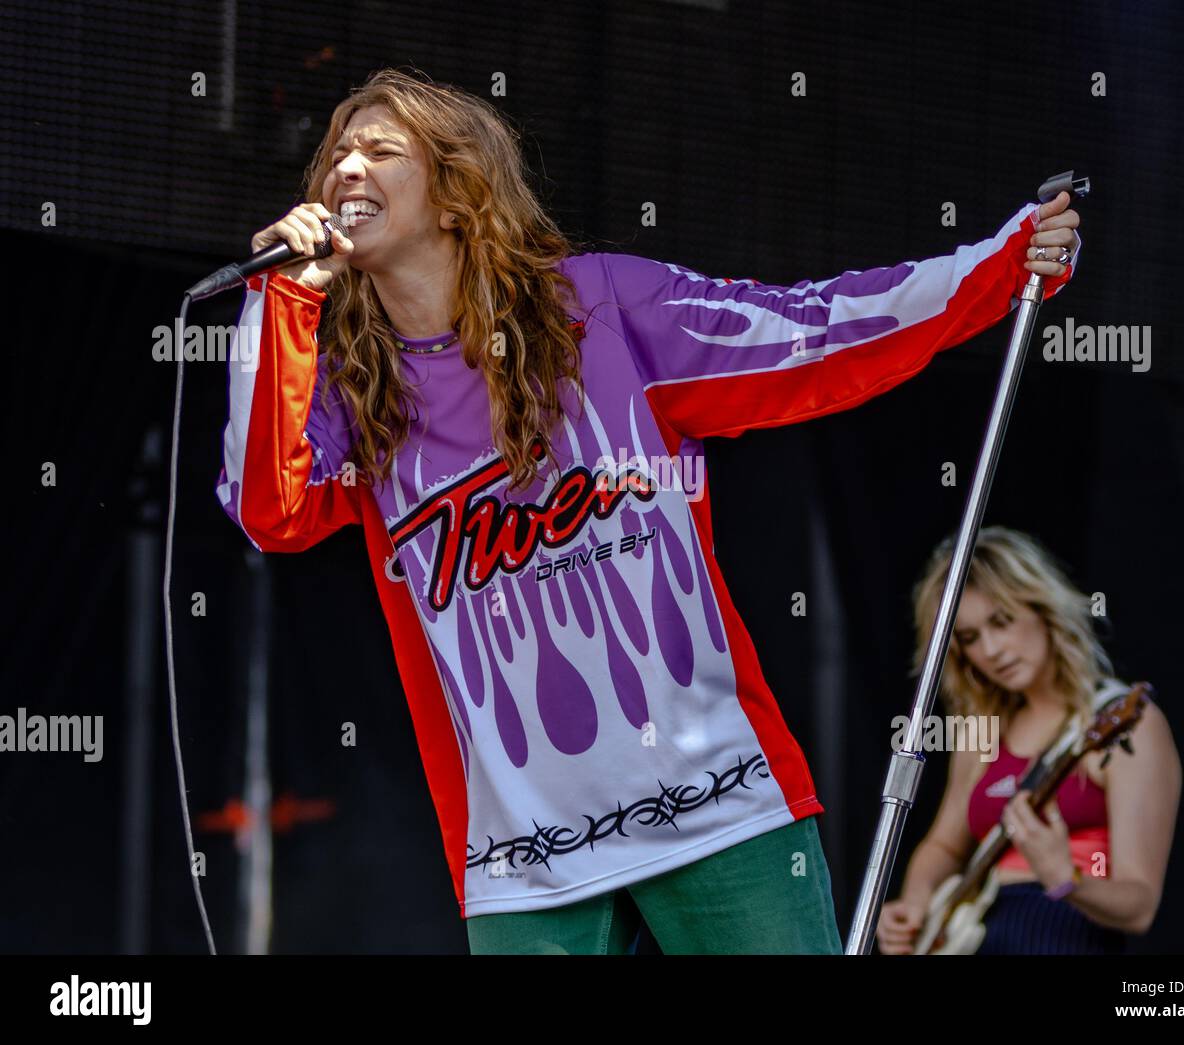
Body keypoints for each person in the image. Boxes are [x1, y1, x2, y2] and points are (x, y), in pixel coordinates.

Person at [215, 68, 1082, 954]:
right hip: (525, 860)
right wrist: (280, 298)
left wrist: (997, 266)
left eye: (381, 151)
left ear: (454, 192)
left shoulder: (604, 308)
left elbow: (811, 331)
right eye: (337, 155)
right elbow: (265, 509)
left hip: (720, 806)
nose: (347, 170)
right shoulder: (361, 399)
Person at [876, 528, 1181, 955]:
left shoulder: (1125, 724)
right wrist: (914, 903)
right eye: (970, 638)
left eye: (1001, 621)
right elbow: (944, 843)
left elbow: (1139, 906)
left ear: (1042, 608)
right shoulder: (982, 728)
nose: (992, 649)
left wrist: (1066, 878)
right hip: (978, 937)